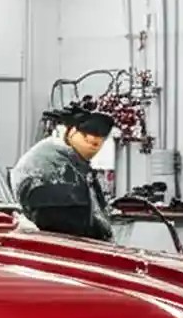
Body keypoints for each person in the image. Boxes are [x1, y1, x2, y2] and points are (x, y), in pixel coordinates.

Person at [8, 102, 116, 242]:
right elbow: (65, 225)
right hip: (56, 247)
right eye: (88, 139)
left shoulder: (74, 161)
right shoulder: (50, 163)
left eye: (99, 143)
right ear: (70, 131)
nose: (93, 147)